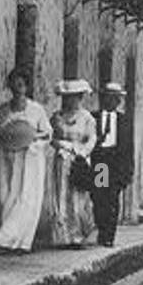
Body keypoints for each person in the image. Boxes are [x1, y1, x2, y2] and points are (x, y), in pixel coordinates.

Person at [0, 67, 52, 252]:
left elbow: (47, 133)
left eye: (21, 84)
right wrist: (4, 133)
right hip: (6, 156)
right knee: (4, 194)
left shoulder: (36, 110)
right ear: (9, 87)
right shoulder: (2, 111)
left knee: (25, 196)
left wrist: (32, 139)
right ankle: (8, 238)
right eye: (14, 84)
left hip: (29, 158)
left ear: (26, 86)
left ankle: (12, 241)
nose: (18, 88)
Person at [50, 79, 97, 248]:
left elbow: (92, 139)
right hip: (62, 159)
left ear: (80, 98)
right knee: (61, 197)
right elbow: (52, 138)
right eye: (67, 97)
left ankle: (78, 235)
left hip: (79, 161)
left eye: (74, 97)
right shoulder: (57, 117)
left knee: (78, 199)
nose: (70, 100)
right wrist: (62, 145)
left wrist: (83, 152)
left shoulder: (87, 118)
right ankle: (63, 237)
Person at [90, 82, 130, 248]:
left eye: (116, 98)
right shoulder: (94, 117)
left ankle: (109, 235)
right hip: (101, 161)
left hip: (116, 162)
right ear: (102, 98)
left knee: (113, 198)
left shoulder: (123, 120)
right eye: (108, 97)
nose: (112, 101)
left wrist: (127, 170)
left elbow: (128, 146)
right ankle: (101, 229)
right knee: (100, 198)